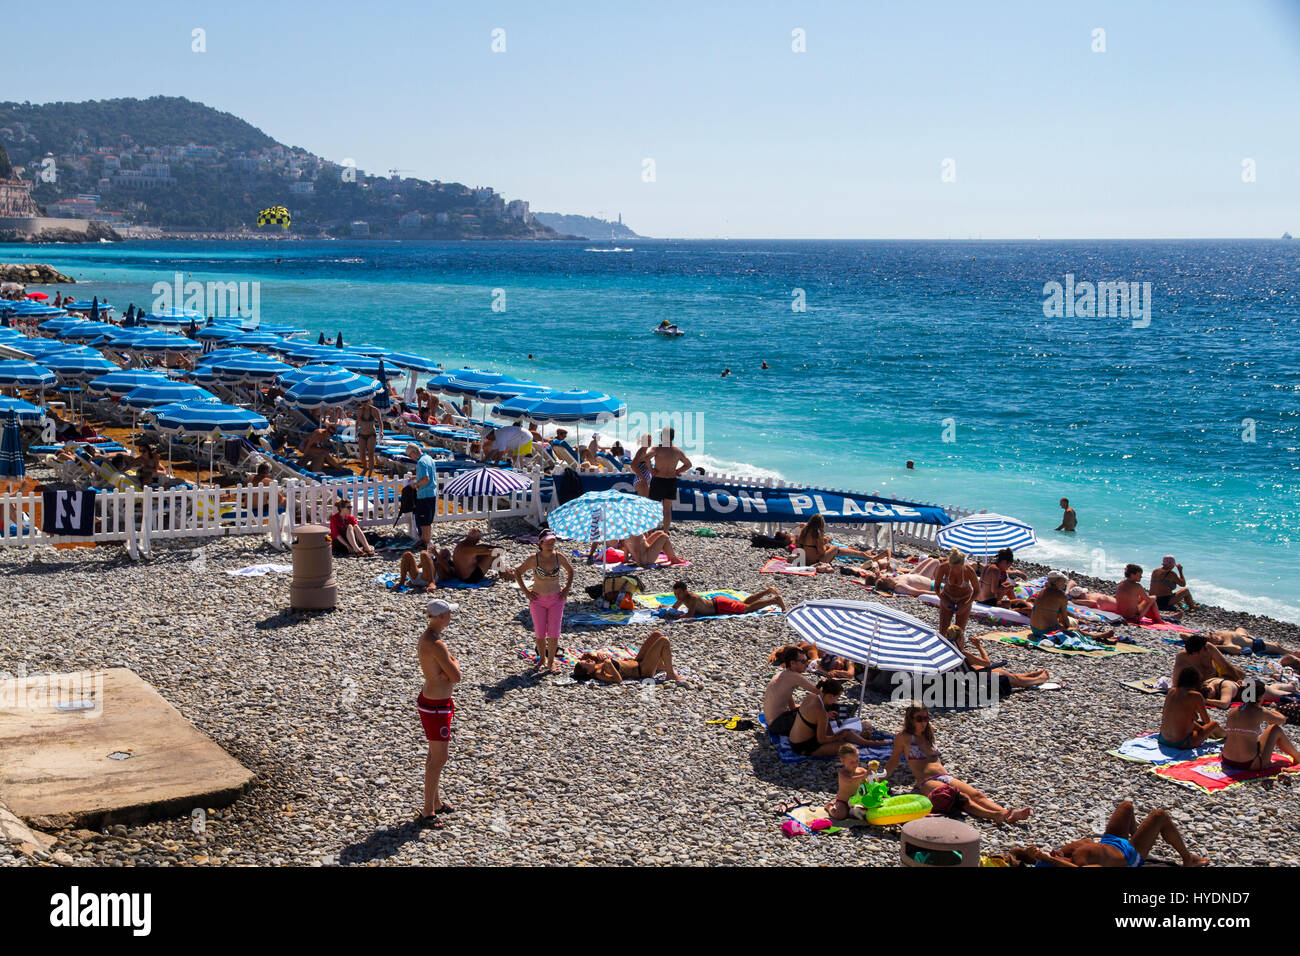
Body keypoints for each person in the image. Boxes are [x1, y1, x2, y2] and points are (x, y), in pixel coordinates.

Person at [883, 705, 1031, 823]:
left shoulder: (929, 732)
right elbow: (894, 760)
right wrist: (880, 779)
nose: (924, 722)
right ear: (910, 719)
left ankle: (1007, 814)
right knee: (959, 798)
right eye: (919, 719)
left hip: (944, 776)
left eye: (926, 718)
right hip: (926, 781)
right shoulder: (904, 737)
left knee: (977, 795)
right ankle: (996, 815)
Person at [1011, 800, 1207, 867]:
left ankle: (1144, 837)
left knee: (1126, 806)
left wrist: (1031, 854)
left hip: (1110, 842)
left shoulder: (1042, 863)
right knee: (1159, 816)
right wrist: (1053, 859)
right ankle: (1188, 859)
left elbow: (1016, 852)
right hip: (1129, 856)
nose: (1052, 853)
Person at [416, 599, 461, 827]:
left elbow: (448, 672)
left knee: (433, 756)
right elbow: (456, 676)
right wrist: (453, 664)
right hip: (435, 706)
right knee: (439, 758)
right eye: (449, 615)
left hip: (433, 702)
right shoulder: (437, 644)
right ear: (441, 617)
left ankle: (435, 801)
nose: (451, 618)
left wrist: (448, 668)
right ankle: (427, 811)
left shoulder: (428, 638)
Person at [514, 530, 573, 673]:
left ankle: (551, 662)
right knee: (540, 632)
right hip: (538, 599)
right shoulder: (534, 559)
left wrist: (566, 589)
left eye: (553, 541)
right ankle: (541, 659)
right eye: (548, 541)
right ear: (540, 543)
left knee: (554, 632)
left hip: (556, 599)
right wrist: (526, 592)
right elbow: (517, 572)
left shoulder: (559, 557)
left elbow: (571, 571)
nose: (551, 544)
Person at [1221, 679, 1300, 772]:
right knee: (1275, 729)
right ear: (1260, 696)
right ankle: (1298, 757)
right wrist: (1274, 710)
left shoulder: (1232, 711)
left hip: (1227, 759)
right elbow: (1282, 720)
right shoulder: (1260, 711)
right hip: (1249, 763)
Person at [947, 625, 1051, 694]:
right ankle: (1040, 679)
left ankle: (1032, 674)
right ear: (960, 639)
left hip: (960, 678)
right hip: (972, 679)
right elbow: (987, 663)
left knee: (1009, 675)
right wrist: (979, 647)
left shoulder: (947, 651)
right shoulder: (964, 653)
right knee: (1012, 679)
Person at [787, 679, 878, 756]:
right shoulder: (821, 712)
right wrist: (840, 736)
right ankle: (865, 741)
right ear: (830, 696)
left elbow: (811, 715)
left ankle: (866, 742)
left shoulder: (811, 697)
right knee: (848, 747)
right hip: (802, 747)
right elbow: (821, 740)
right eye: (837, 698)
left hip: (793, 739)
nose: (836, 701)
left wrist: (827, 715)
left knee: (840, 731)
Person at [1030, 571, 1116, 644]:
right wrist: (1068, 627)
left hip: (1034, 629)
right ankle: (1096, 636)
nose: (1064, 585)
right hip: (1045, 631)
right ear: (1057, 582)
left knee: (1060, 623)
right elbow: (1064, 618)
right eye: (1063, 582)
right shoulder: (1061, 596)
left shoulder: (1042, 592)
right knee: (1074, 630)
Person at [572, 631, 684, 682]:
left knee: (657, 634)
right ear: (588, 672)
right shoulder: (598, 674)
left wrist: (596, 655)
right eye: (586, 662)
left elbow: (586, 655)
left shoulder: (596, 662)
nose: (588, 660)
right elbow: (617, 680)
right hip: (643, 670)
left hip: (637, 661)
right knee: (664, 641)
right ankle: (670, 674)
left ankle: (660, 666)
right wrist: (609, 664)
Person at [1174, 633, 1244, 709]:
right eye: (1204, 648)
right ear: (1195, 653)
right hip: (1207, 684)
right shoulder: (1182, 659)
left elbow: (1226, 665)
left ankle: (1246, 689)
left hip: (1216, 679)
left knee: (1241, 674)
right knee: (1248, 692)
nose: (1207, 649)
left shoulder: (1209, 647)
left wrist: (1237, 679)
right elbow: (1176, 683)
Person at [1158, 666, 1222, 749]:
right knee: (1214, 724)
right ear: (1196, 681)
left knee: (1196, 726)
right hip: (1182, 743)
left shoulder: (1171, 691)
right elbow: (1206, 720)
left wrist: (1200, 728)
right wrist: (1208, 732)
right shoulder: (1196, 695)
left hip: (1163, 739)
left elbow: (1172, 715)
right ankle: (1227, 736)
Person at [763, 645, 818, 737]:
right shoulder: (794, 676)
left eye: (807, 660)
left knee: (807, 711)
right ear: (792, 663)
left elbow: (788, 695)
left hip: (772, 722)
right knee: (815, 717)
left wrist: (794, 708)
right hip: (778, 725)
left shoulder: (782, 674)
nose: (806, 664)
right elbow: (817, 691)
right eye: (803, 661)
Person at [646, 427, 692, 531]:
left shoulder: (657, 448)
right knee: (667, 509)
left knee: (653, 507)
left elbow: (646, 458)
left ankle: (649, 531)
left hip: (658, 479)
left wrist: (651, 470)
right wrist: (677, 471)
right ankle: (666, 532)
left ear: (664, 436)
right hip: (671, 480)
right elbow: (688, 464)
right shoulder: (678, 451)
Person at [669, 581, 785, 617]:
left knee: (747, 608)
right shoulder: (682, 598)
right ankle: (768, 591)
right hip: (718, 601)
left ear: (686, 591)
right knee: (743, 603)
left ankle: (774, 601)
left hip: (720, 606)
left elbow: (690, 615)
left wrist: (674, 617)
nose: (677, 596)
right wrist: (663, 609)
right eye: (675, 593)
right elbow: (674, 607)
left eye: (679, 593)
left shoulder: (692, 598)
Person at [933, 549, 979, 638]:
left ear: (962, 565)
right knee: (943, 630)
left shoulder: (968, 571)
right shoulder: (944, 567)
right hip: (947, 595)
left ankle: (958, 649)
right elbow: (937, 586)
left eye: (957, 568)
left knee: (959, 631)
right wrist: (943, 599)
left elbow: (977, 591)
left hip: (964, 598)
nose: (954, 570)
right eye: (952, 567)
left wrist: (966, 604)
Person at [795, 513, 872, 564]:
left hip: (804, 560)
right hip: (815, 562)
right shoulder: (816, 535)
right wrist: (825, 545)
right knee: (835, 547)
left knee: (838, 549)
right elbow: (821, 552)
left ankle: (864, 555)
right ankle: (864, 556)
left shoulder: (804, 532)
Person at [826, 744, 873, 821]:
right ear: (842, 761)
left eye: (857, 761)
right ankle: (829, 807)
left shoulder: (862, 771)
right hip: (844, 801)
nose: (855, 764)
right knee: (839, 815)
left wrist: (873, 777)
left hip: (858, 801)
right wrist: (864, 776)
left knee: (870, 810)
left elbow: (870, 782)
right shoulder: (842, 773)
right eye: (851, 762)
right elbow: (850, 780)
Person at [406, 443, 437, 549]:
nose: (411, 458)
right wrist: (415, 476)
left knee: (423, 522)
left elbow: (426, 479)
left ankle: (425, 542)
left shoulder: (421, 462)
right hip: (432, 493)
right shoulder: (429, 458)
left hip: (424, 494)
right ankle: (426, 540)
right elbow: (430, 475)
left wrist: (416, 484)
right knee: (428, 521)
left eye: (410, 456)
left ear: (414, 453)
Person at [620, 529, 686, 567]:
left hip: (644, 552)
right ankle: (672, 558)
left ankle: (671, 556)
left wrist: (626, 559)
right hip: (646, 558)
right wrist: (640, 564)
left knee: (659, 533)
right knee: (664, 537)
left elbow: (626, 547)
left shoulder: (626, 532)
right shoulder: (635, 533)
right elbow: (637, 551)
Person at [355, 396, 382, 479]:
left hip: (371, 434)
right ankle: (365, 468)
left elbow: (380, 422)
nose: (365, 403)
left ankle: (370, 473)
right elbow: (357, 422)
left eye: (366, 401)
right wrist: (355, 433)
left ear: (370, 401)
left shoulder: (374, 410)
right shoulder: (360, 410)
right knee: (362, 454)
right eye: (363, 402)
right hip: (362, 434)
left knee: (370, 454)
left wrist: (381, 431)